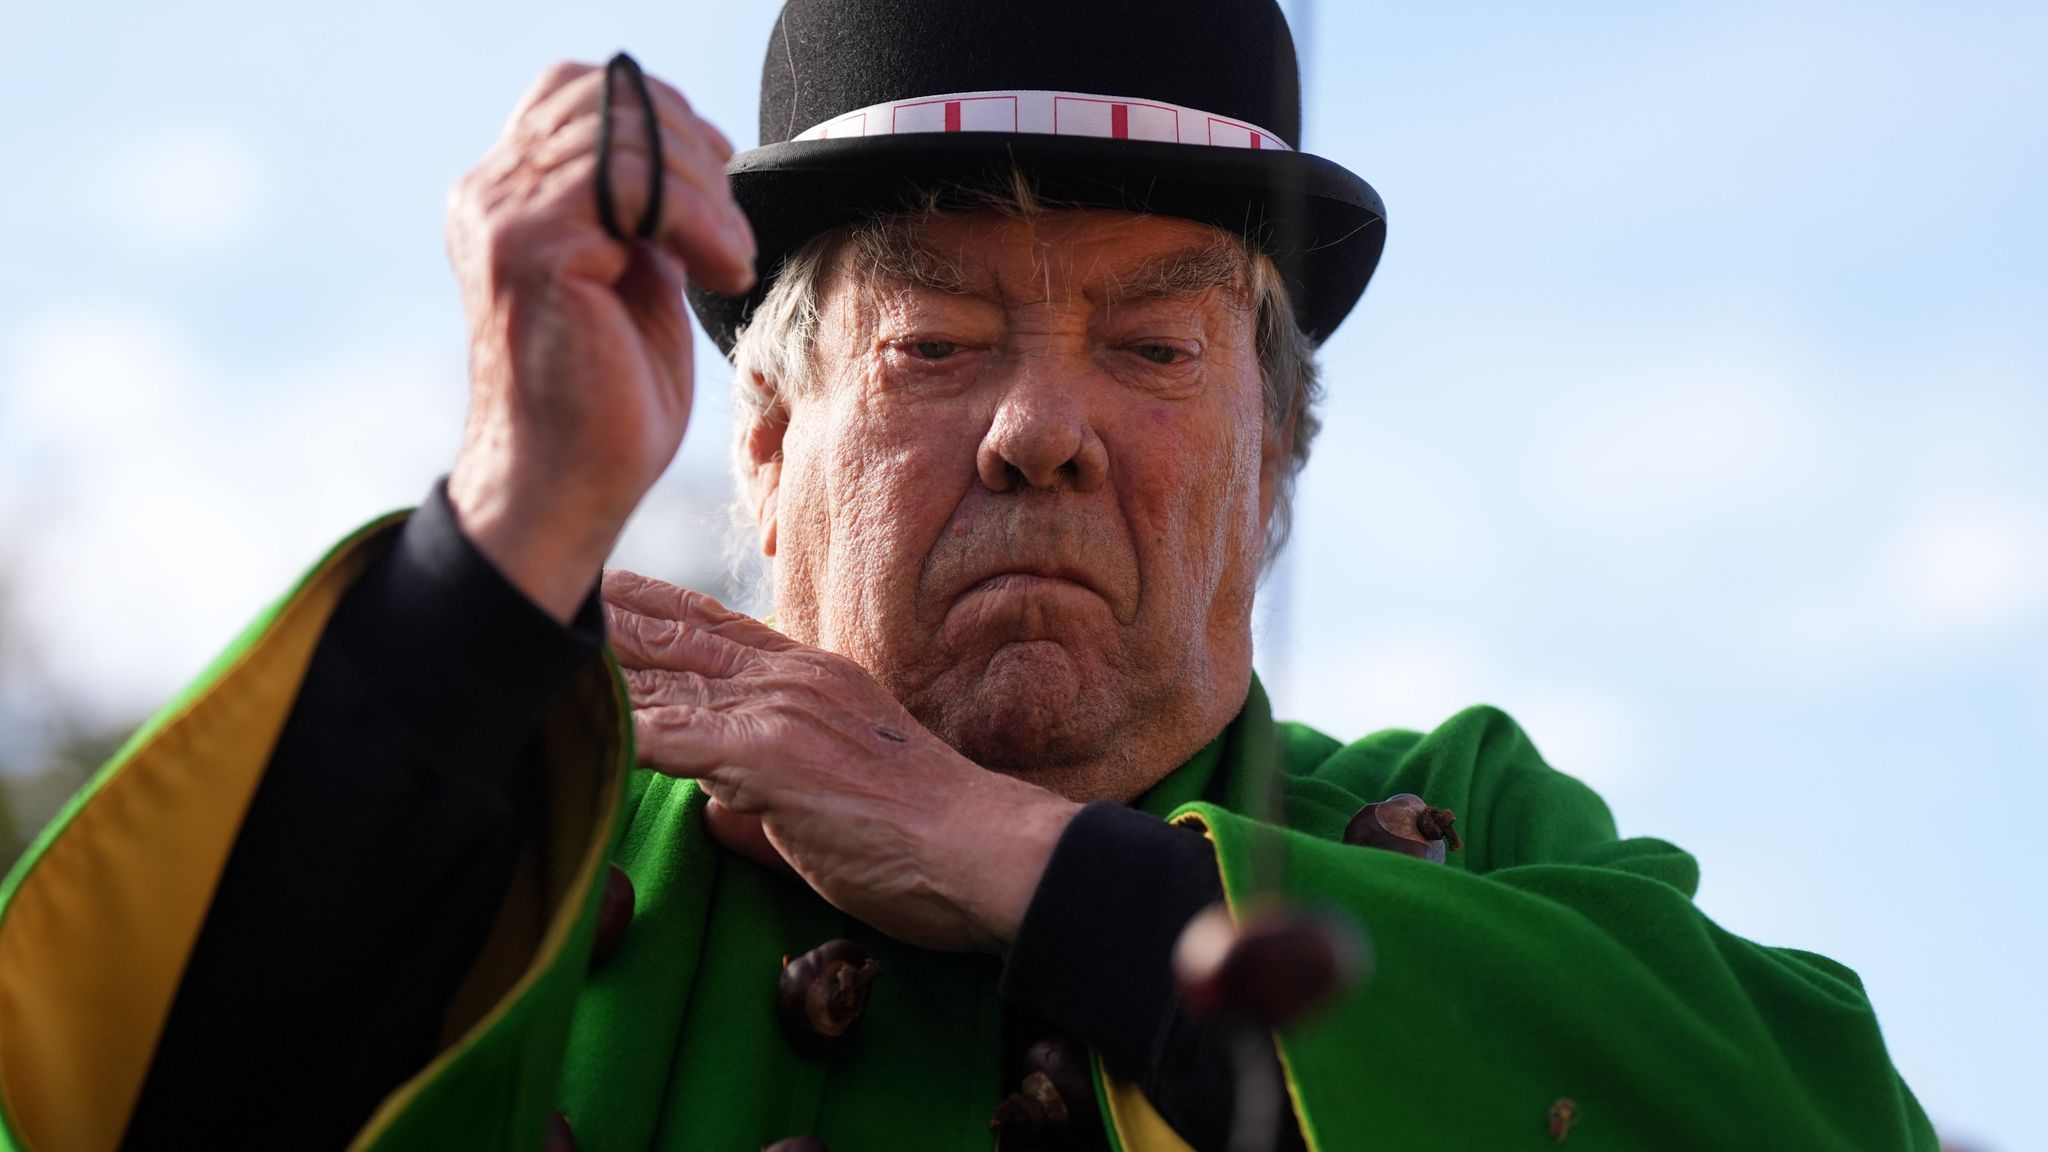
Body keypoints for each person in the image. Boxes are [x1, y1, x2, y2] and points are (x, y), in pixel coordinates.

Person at [0, 1, 1937, 1150]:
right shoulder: (514, 824)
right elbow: (108, 1095)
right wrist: (510, 527)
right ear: (761, 446)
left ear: (1278, 468)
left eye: (1157, 349)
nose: (1040, 428)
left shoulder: (1462, 826)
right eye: (933, 344)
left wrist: (1002, 851)